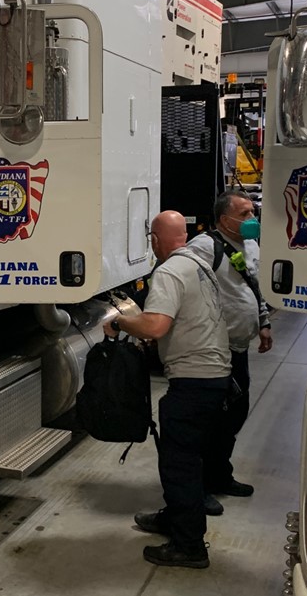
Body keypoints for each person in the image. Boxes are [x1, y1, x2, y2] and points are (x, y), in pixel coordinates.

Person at [103, 210, 236, 569]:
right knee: (186, 459)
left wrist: (120, 321)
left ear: (156, 240)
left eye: (151, 238)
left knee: (179, 465)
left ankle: (189, 545)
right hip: (216, 377)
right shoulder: (200, 265)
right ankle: (175, 518)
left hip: (193, 381)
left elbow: (156, 325)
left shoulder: (168, 270)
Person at [187, 190, 271, 512]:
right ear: (225, 220)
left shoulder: (250, 245)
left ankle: (220, 474)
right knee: (210, 419)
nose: (252, 219)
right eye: (245, 213)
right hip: (213, 352)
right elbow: (185, 287)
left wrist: (263, 322)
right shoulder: (205, 247)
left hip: (239, 348)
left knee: (234, 414)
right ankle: (201, 486)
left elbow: (256, 286)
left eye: (252, 211)